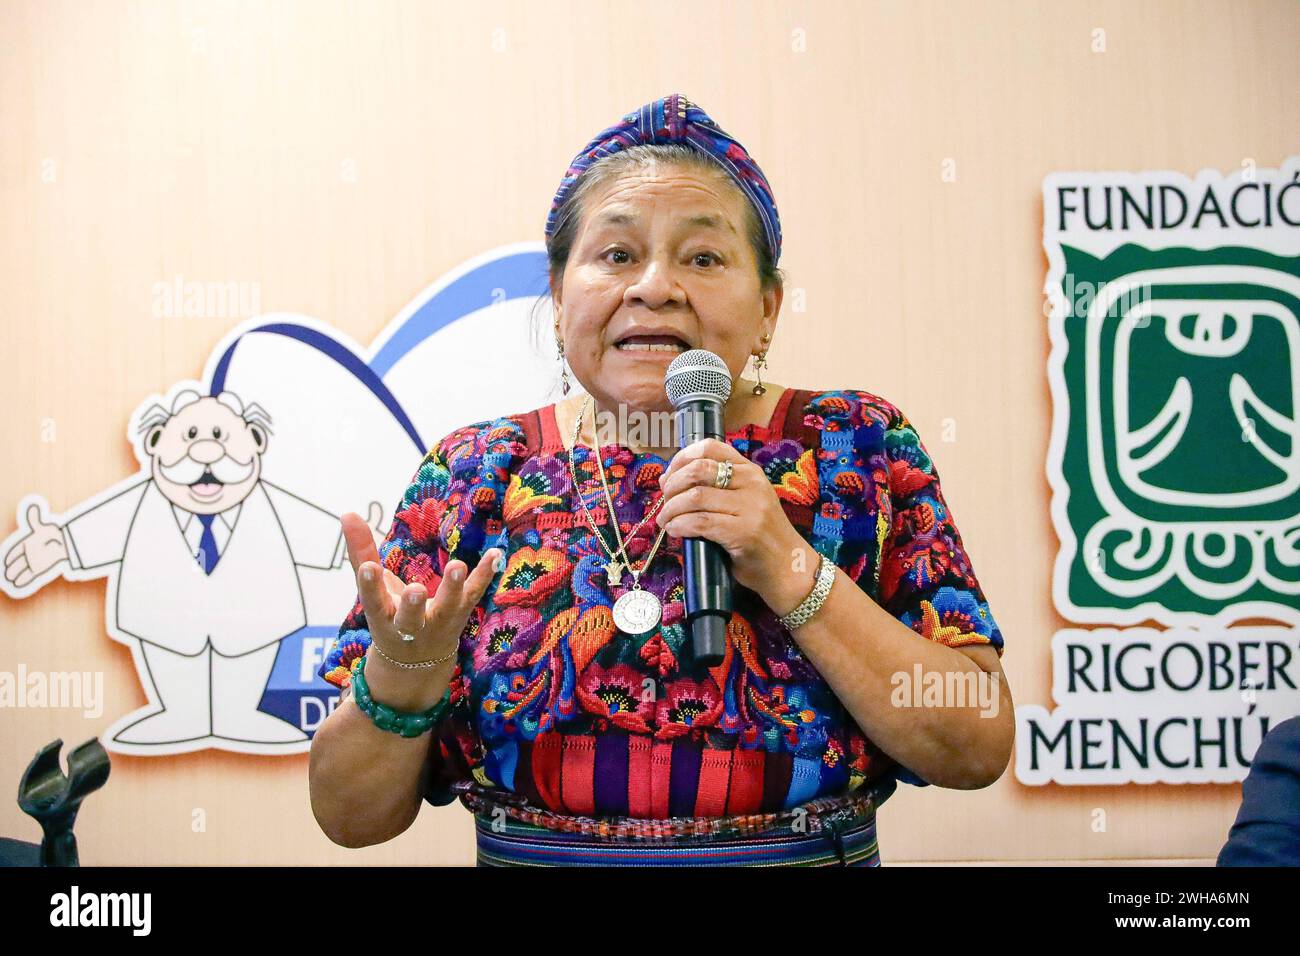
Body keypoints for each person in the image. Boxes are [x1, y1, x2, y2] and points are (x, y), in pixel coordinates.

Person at [308, 93, 1013, 866]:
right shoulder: (472, 474)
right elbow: (350, 815)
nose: (654, 286)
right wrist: (407, 670)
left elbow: (974, 742)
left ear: (768, 307)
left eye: (703, 258)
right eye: (616, 256)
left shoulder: (855, 446)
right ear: (557, 297)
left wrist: (788, 564)